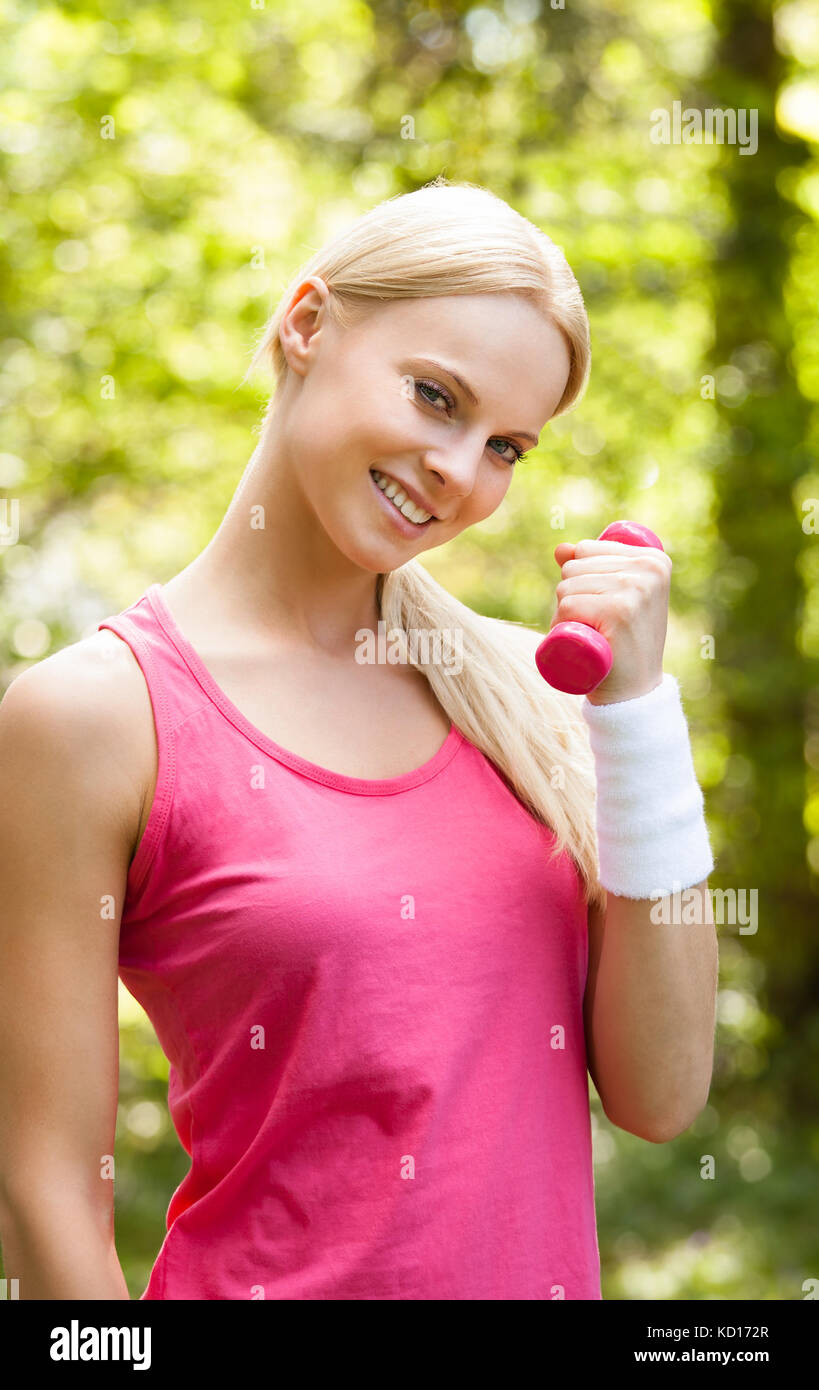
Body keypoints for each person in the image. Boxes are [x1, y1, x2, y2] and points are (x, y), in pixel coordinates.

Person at [0, 177, 716, 1300]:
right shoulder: (96, 715)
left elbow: (662, 1096)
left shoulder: (533, 701)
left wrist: (637, 717)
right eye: (437, 397)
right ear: (306, 322)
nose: (461, 472)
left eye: (507, 447)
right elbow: (43, 1185)